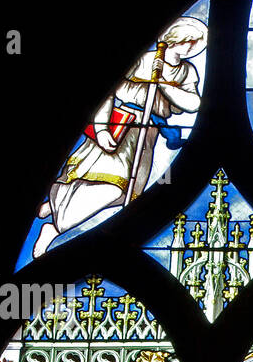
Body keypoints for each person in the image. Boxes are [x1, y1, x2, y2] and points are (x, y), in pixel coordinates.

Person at [33, 17, 207, 256]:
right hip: (120, 127)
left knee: (130, 195)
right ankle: (54, 228)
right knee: (110, 187)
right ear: (173, 39)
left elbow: (193, 103)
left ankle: (58, 204)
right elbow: (110, 93)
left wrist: (163, 85)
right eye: (186, 41)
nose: (189, 47)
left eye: (194, 42)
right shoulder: (145, 60)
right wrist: (102, 128)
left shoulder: (187, 71)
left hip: (147, 135)